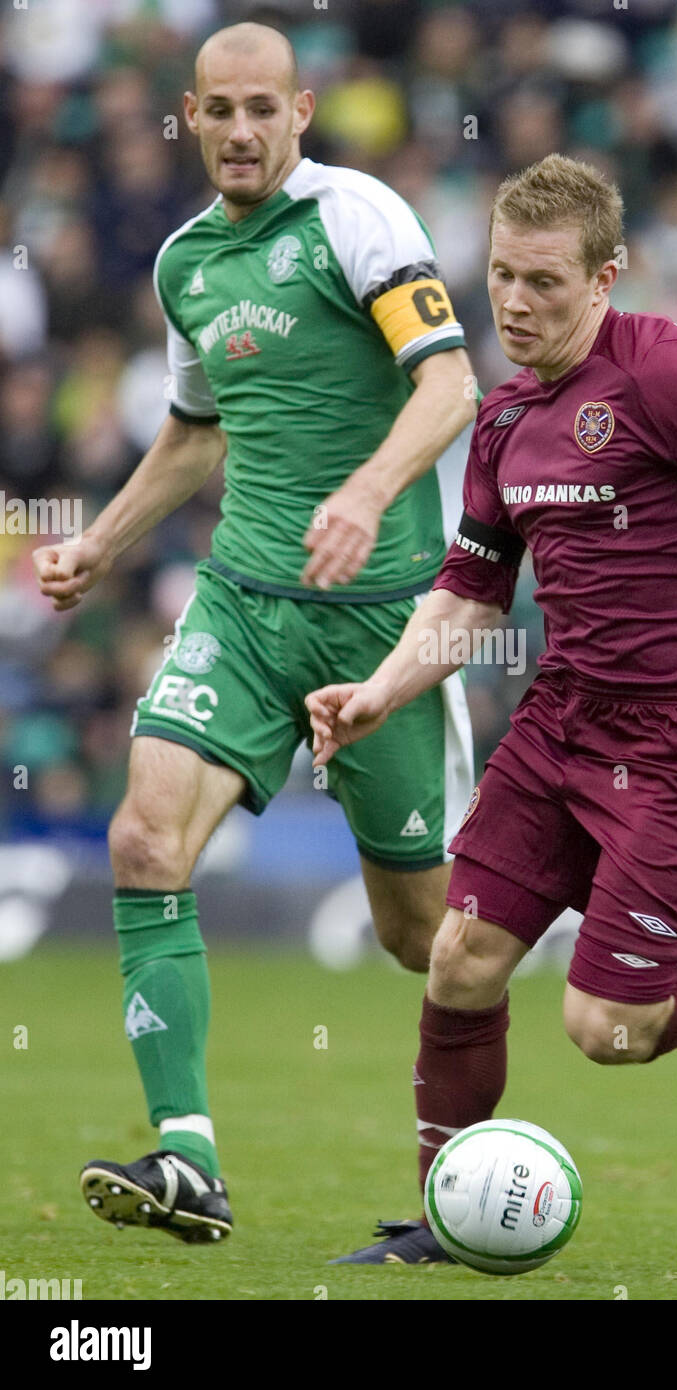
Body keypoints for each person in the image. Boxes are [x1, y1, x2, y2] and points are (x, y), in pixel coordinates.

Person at [306, 153, 677, 1264]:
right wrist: (380, 692)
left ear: (605, 278)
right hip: (563, 717)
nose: (517, 302)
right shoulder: (500, 423)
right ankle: (448, 1220)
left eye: (544, 280)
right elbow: (470, 590)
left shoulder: (675, 374)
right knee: (459, 959)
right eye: (501, 276)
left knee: (609, 1032)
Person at [31, 21, 477, 1244]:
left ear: (302, 111)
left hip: (380, 624)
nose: (238, 130)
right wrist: (101, 544)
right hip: (241, 604)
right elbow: (194, 432)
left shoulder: (360, 219)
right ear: (189, 114)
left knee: (422, 937)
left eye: (260, 109)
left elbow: (451, 385)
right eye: (216, 109)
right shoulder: (184, 265)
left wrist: (368, 492)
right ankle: (190, 1161)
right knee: (143, 836)